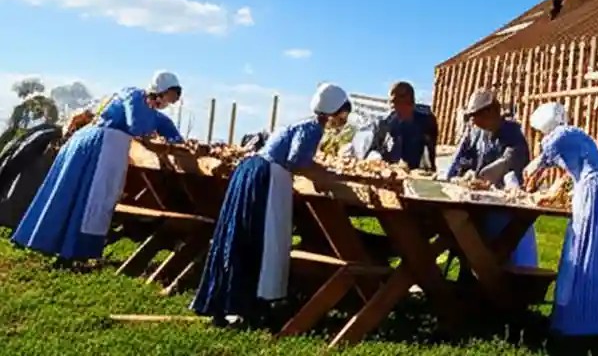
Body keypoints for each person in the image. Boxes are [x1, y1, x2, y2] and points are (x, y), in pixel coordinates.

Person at [191, 82, 352, 327]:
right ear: (332, 111)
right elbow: (296, 160)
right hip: (269, 177)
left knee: (240, 237)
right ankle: (255, 303)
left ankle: (227, 302)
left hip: (253, 171)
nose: (341, 121)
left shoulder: (300, 123)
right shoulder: (313, 128)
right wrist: (325, 174)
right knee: (266, 239)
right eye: (341, 115)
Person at [11, 71, 183, 262]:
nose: (166, 105)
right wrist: (153, 135)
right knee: (84, 196)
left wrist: (177, 142)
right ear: (158, 90)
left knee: (100, 200)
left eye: (170, 102)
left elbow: (173, 135)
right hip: (95, 145)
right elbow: (136, 125)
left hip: (111, 151)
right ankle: (56, 246)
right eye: (167, 98)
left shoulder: (155, 115)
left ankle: (77, 251)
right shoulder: (133, 95)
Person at [524, 102, 598, 337]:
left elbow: (539, 161)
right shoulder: (578, 135)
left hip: (594, 193)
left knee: (584, 249)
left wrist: (534, 169)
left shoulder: (560, 135)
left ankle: (580, 319)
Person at [444, 89, 538, 268]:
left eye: (476, 115)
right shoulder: (473, 133)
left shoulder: (512, 133)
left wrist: (483, 177)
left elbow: (509, 163)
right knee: (459, 230)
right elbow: (457, 163)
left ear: (490, 112)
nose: (472, 120)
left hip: (502, 207)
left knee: (497, 239)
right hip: (471, 202)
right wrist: (457, 177)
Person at [363, 81, 438, 172]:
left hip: (415, 172)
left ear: (412, 104)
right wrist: (376, 160)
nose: (395, 108)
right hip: (388, 172)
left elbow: (430, 151)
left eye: (402, 104)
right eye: (393, 104)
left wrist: (430, 170)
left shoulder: (426, 121)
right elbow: (373, 149)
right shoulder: (385, 123)